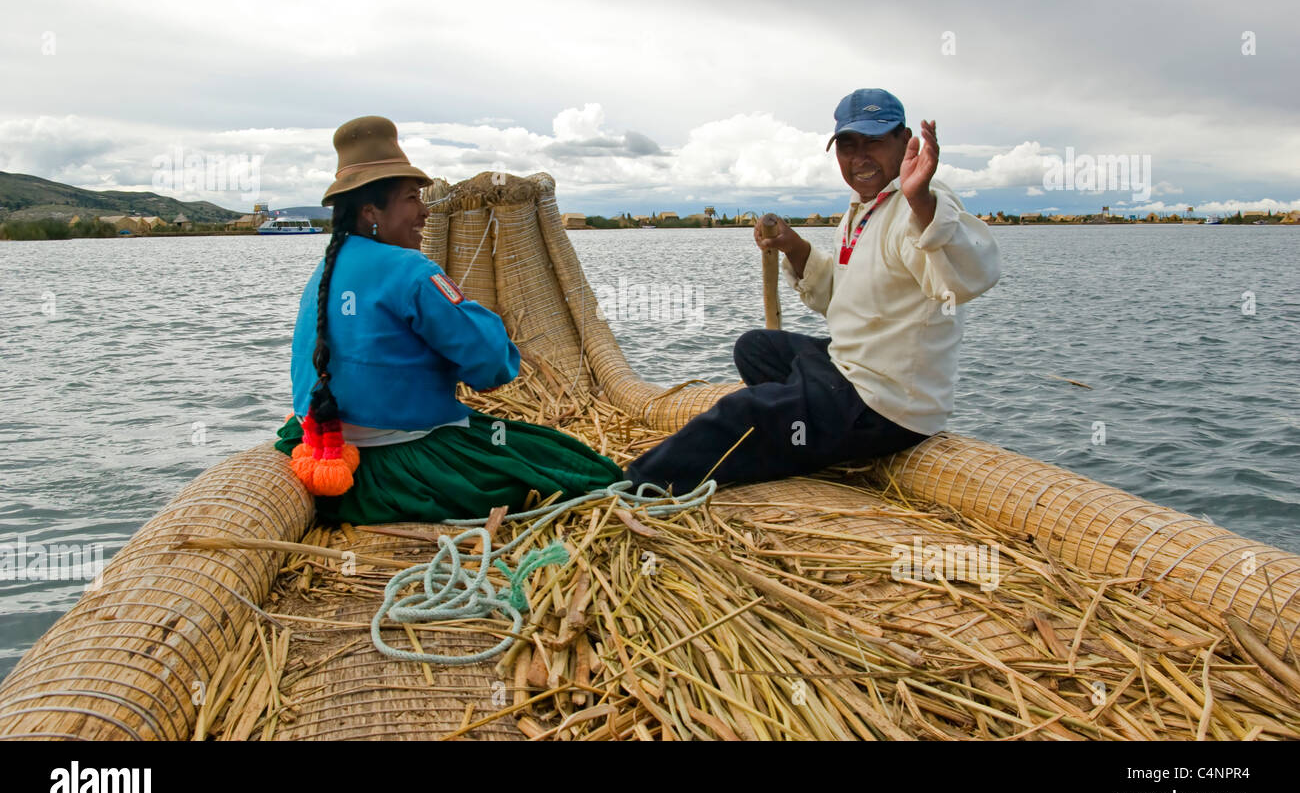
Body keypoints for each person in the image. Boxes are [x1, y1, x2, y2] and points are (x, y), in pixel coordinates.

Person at [625, 88, 1001, 493]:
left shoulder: (920, 205)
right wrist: (794, 246)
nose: (860, 157)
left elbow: (965, 276)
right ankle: (804, 426)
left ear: (905, 140)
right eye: (848, 145)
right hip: (849, 366)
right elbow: (840, 298)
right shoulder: (863, 209)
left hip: (886, 403)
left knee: (743, 410)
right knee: (754, 347)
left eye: (874, 141)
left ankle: (632, 486)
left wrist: (922, 200)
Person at [273, 115, 622, 524]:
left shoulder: (326, 270)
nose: (424, 212)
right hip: (399, 466)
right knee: (572, 463)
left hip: (323, 449)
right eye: (410, 199)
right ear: (371, 211)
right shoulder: (411, 271)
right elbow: (492, 365)